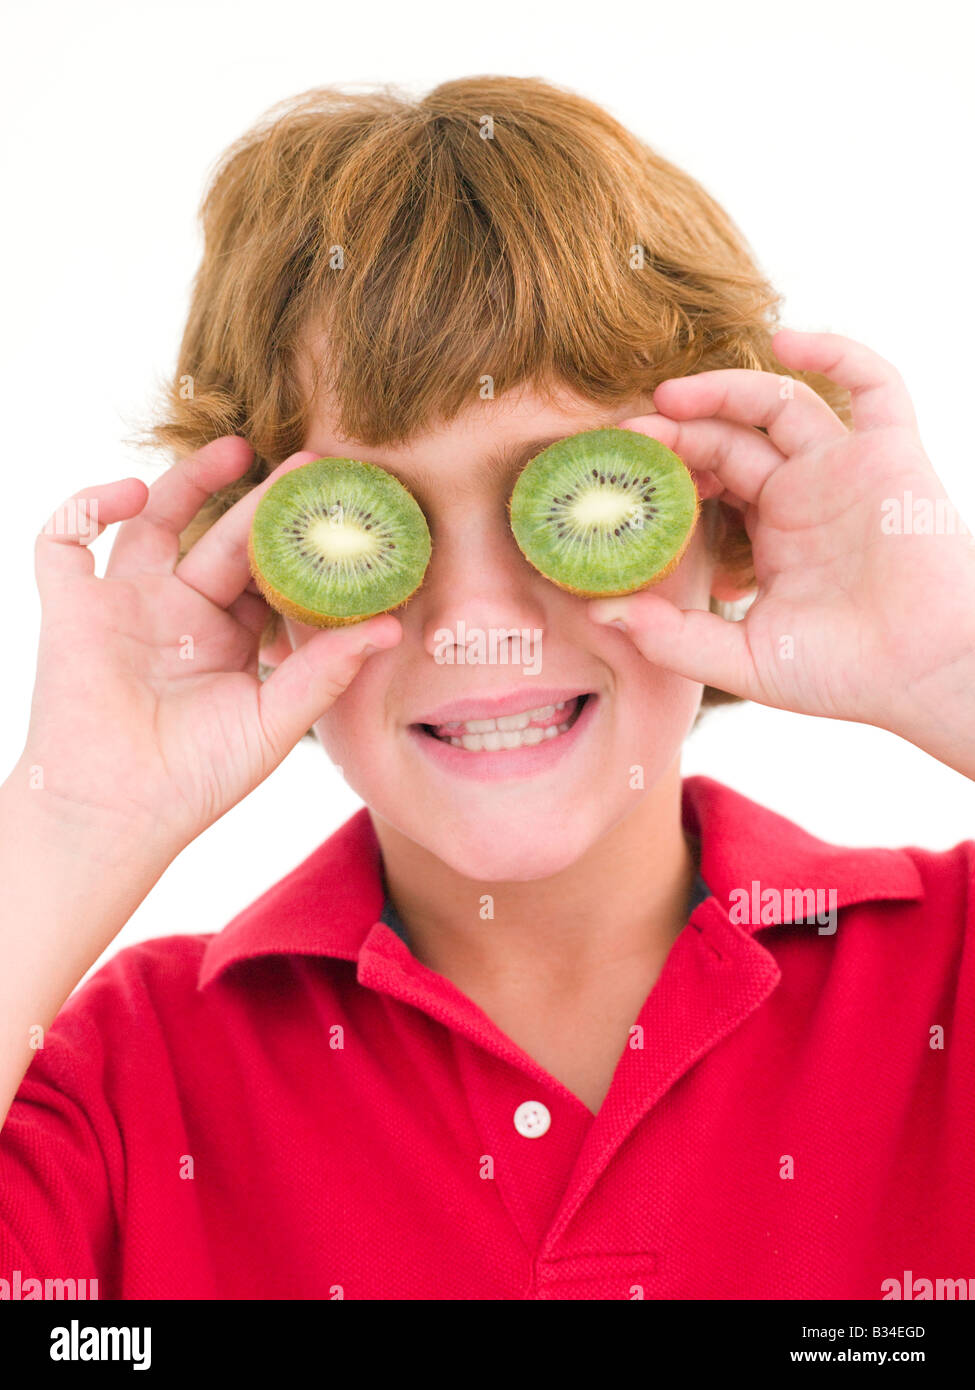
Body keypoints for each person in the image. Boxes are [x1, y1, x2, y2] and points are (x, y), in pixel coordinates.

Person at [1, 76, 972, 1301]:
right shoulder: (118, 1092)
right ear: (259, 575)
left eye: (560, 498)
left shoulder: (952, 978)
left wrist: (954, 671)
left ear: (727, 520)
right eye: (374, 523)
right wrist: (69, 818)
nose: (475, 625)